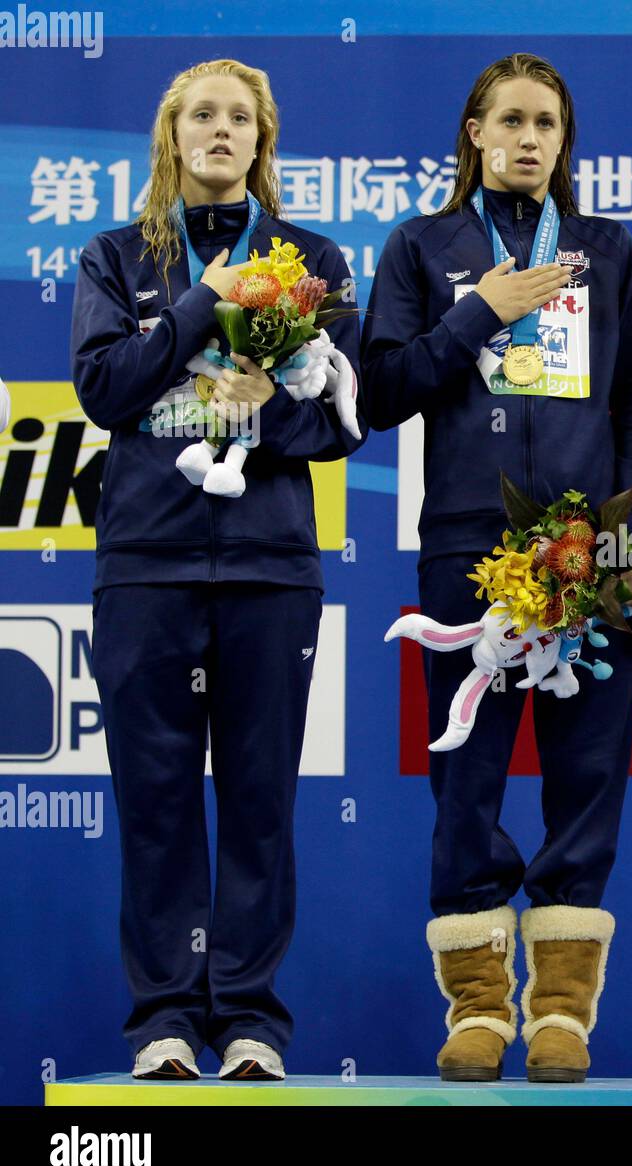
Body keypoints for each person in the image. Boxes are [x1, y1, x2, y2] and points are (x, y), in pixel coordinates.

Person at [360, 52, 632, 1083]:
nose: (530, 138)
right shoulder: (422, 245)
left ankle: (560, 1013)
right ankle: (480, 1007)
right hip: (470, 544)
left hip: (588, 546)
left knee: (589, 775)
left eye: (547, 123)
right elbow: (380, 392)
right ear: (473, 133)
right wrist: (477, 312)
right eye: (511, 120)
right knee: (467, 779)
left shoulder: (605, 249)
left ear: (563, 143)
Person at [70, 58, 365, 1081]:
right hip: (146, 561)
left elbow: (338, 426)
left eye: (241, 116)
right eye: (204, 113)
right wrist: (202, 303)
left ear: (262, 139)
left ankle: (248, 1019)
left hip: (268, 566)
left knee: (257, 797)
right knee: (153, 796)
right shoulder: (116, 256)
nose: (222, 129)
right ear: (173, 134)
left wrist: (256, 411)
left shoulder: (314, 260)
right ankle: (160, 1017)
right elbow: (105, 390)